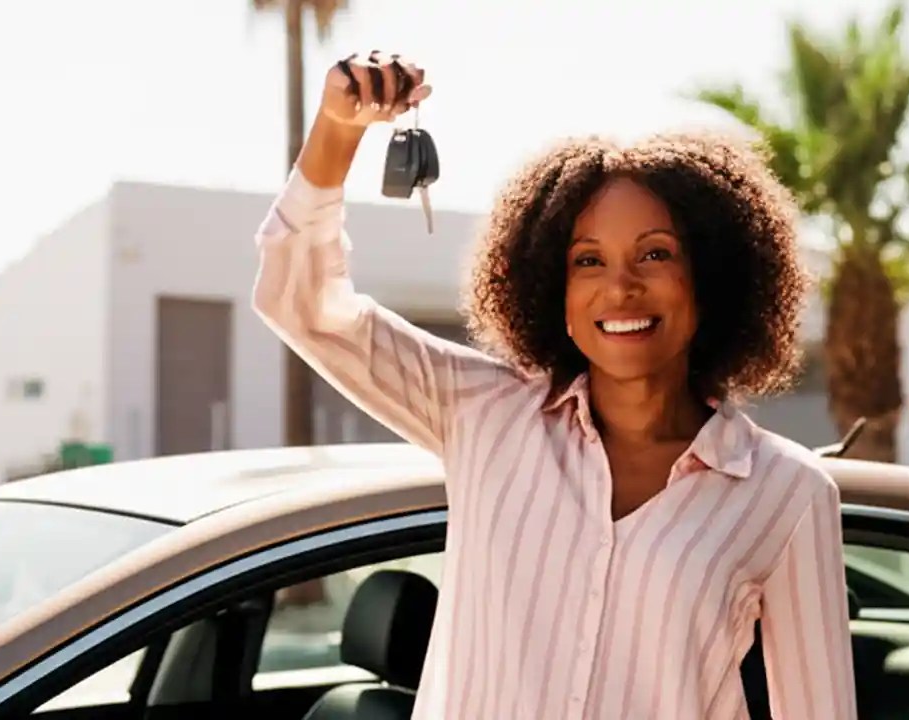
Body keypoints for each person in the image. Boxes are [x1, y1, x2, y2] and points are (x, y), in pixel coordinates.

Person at [252, 50, 857, 720]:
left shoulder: (788, 494)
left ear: (711, 276)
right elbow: (303, 304)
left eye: (655, 254)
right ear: (553, 288)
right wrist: (338, 129)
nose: (621, 286)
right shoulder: (481, 413)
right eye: (588, 261)